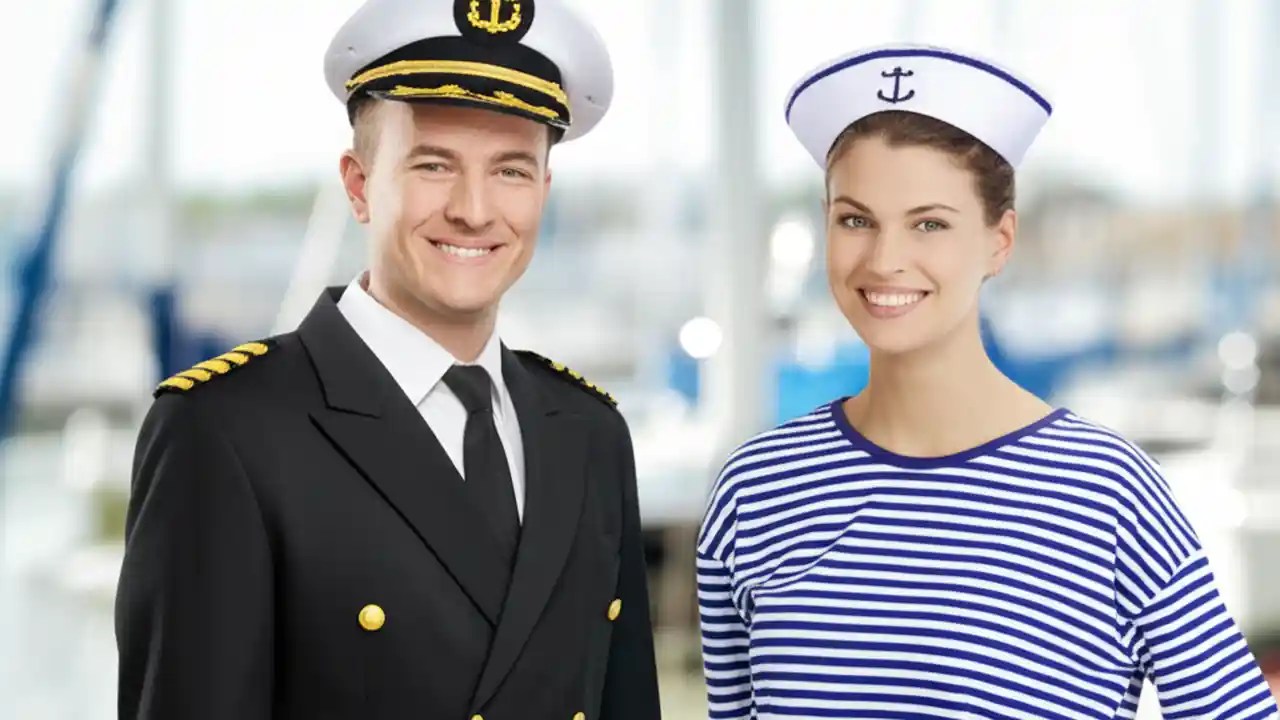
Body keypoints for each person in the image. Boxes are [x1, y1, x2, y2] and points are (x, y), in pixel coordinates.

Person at [696, 43, 1280, 719]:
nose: (886, 259)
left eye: (930, 224)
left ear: (999, 241)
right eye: (855, 219)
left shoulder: (1109, 493)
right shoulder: (754, 488)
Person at [115, 0, 661, 717]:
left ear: (544, 193)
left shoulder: (588, 433)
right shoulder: (226, 433)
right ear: (359, 184)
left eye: (511, 172)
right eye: (434, 165)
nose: (474, 209)